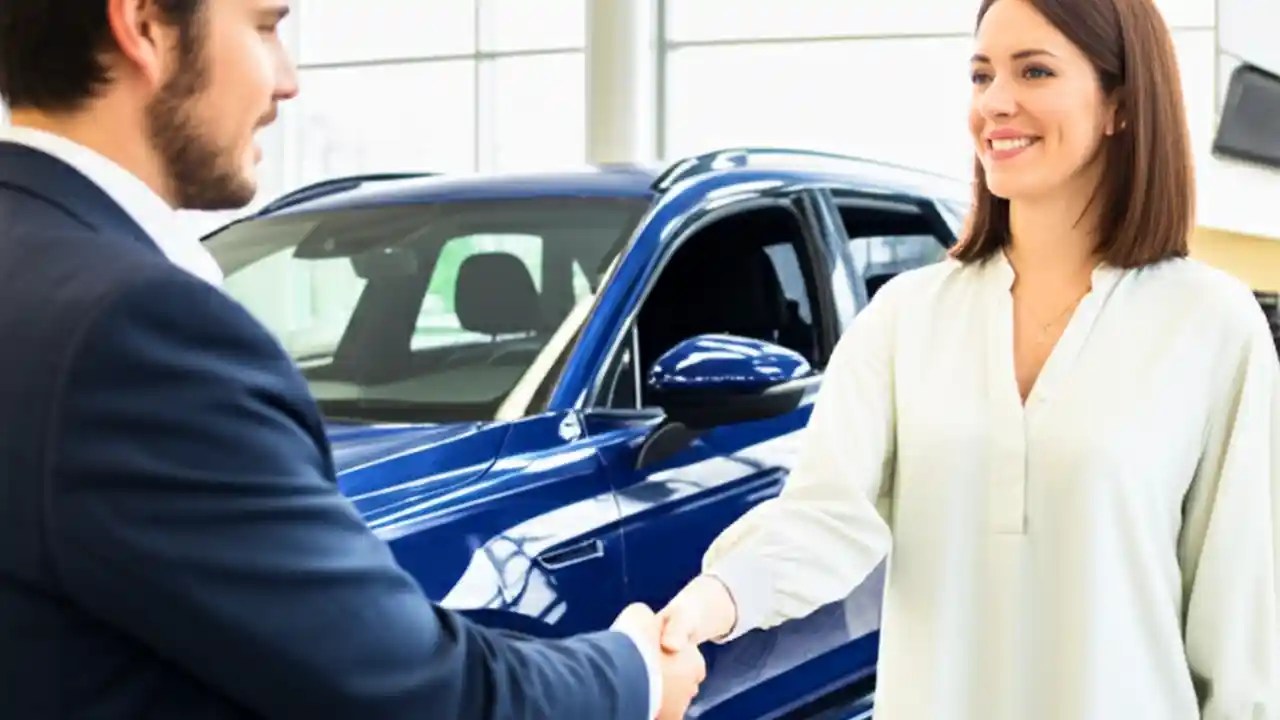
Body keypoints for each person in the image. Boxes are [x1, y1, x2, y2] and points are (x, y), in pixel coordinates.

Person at [0, 1, 705, 718]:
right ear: (145, 25)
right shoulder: (140, 327)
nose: (288, 80)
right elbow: (422, 694)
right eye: (264, 27)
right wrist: (637, 675)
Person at [658, 0, 1280, 717]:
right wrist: (710, 602)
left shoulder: (1211, 325)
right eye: (982, 76)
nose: (996, 103)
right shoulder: (904, 317)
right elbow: (823, 519)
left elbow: (1241, 630)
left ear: (1120, 103)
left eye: (1034, 71)